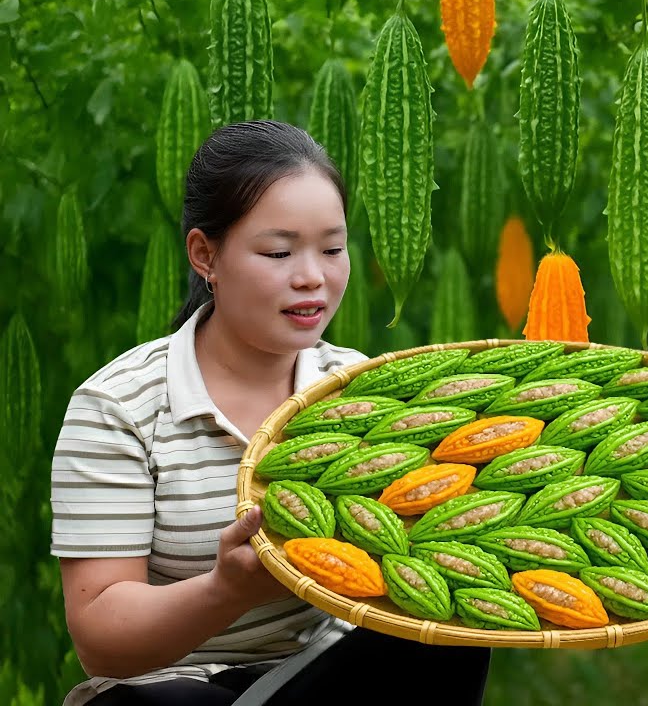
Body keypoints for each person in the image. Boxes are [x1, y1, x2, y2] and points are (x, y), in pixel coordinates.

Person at [50, 120, 490, 705]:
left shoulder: (361, 390)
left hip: (325, 676)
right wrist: (226, 591)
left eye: (333, 249)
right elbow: (101, 639)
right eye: (279, 252)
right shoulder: (119, 406)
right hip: (168, 692)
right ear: (206, 254)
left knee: (450, 634)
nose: (312, 276)